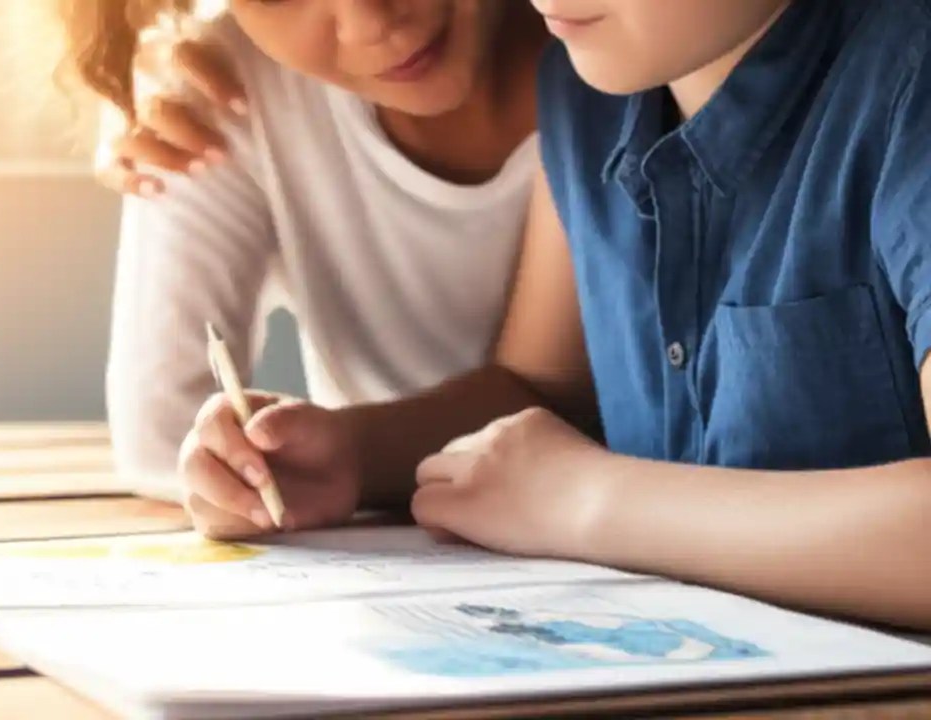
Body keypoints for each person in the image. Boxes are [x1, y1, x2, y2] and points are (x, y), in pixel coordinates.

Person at [172, 0, 931, 632]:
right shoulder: (581, 96)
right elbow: (544, 387)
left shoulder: (910, 76)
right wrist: (352, 453)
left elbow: (570, 477)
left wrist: (591, 501)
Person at [59, 0, 551, 501]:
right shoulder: (218, 90)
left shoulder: (610, 55)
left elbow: (559, 398)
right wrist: (270, 465)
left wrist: (355, 460)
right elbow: (166, 434)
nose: (370, 22)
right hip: (392, 549)